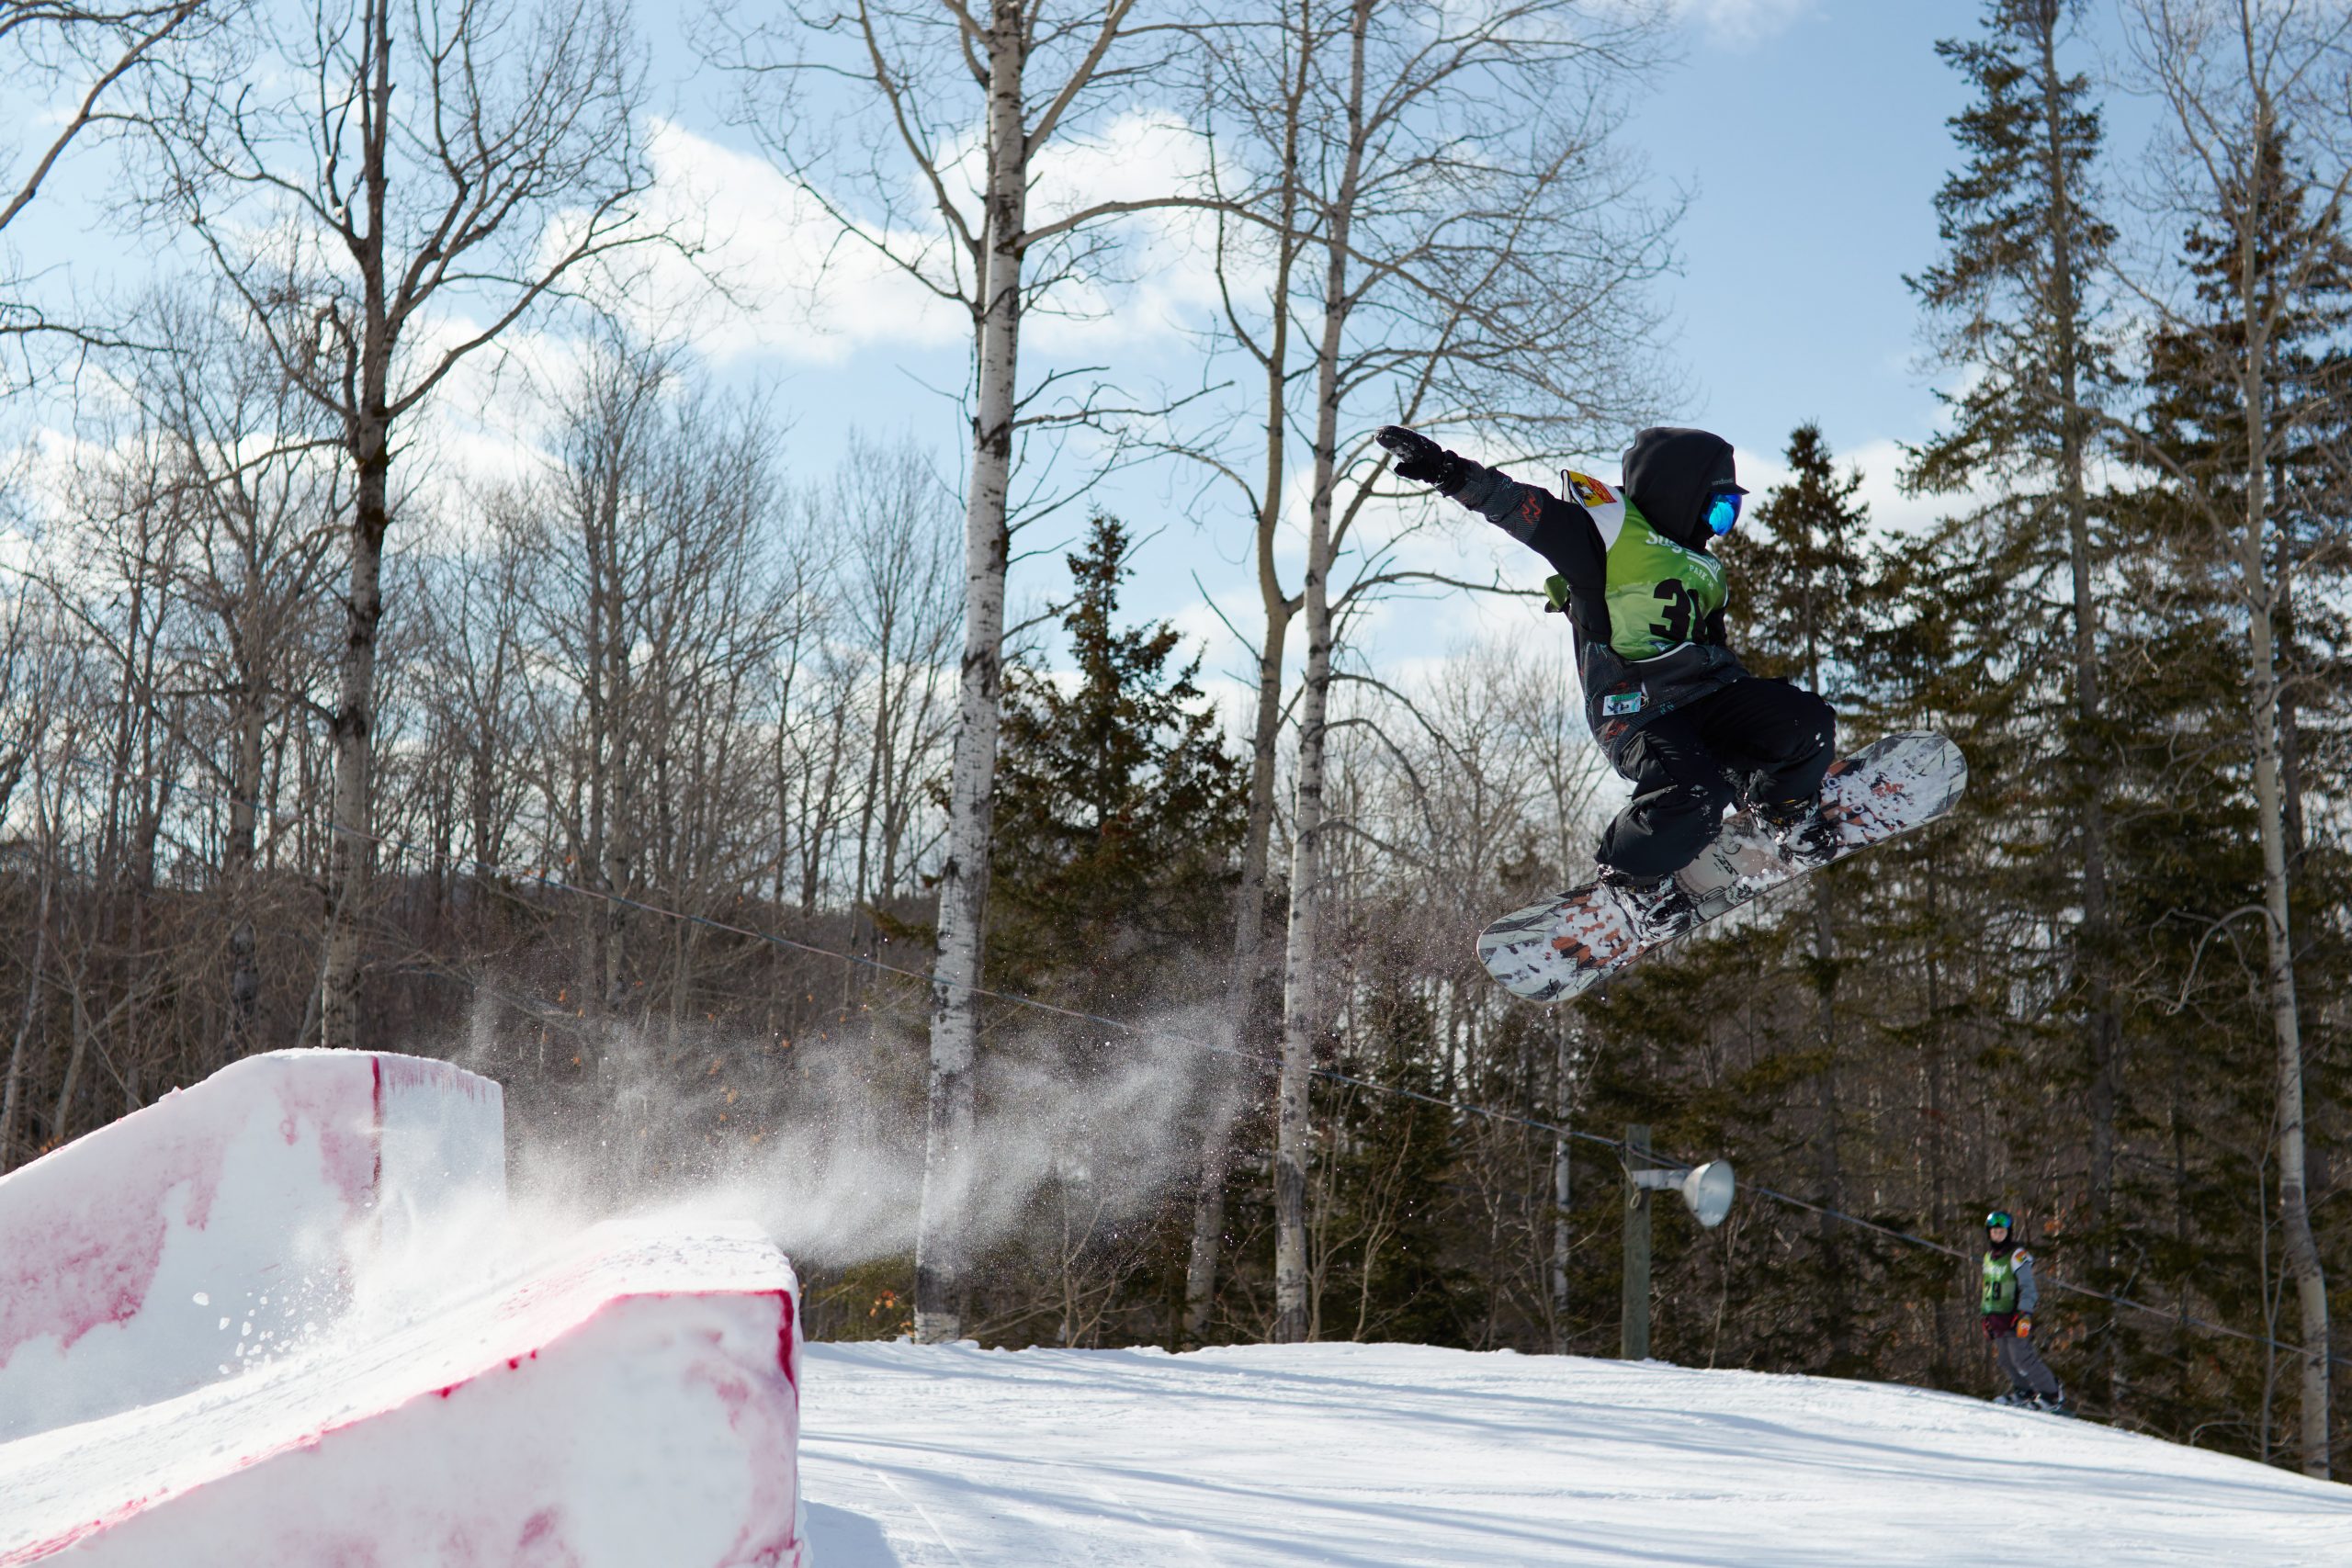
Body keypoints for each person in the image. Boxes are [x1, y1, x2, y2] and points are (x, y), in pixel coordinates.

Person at [1374, 424, 1837, 924]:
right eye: (1715, 509)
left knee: (1804, 721)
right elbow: (1518, 507)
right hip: (1637, 711)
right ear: (1678, 495)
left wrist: (1756, 739)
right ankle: (1632, 876)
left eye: (1727, 514)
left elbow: (1714, 649)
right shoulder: (1604, 538)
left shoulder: (1704, 570)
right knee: (1695, 792)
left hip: (1706, 694)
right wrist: (1445, 470)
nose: (1715, 528)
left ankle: (1782, 808)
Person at [1980, 1209, 2067, 1412]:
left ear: (2008, 1233)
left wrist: (2024, 1313)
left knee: (2022, 1356)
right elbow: (1987, 1286)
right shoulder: (1989, 1258)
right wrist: (1985, 1314)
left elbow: (2028, 1287)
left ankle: (2052, 1393)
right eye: (1994, 1232)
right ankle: (2024, 1391)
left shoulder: (2017, 1255)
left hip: (2014, 1314)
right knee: (2004, 1358)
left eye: (2002, 1232)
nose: (1998, 1235)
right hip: (1996, 1315)